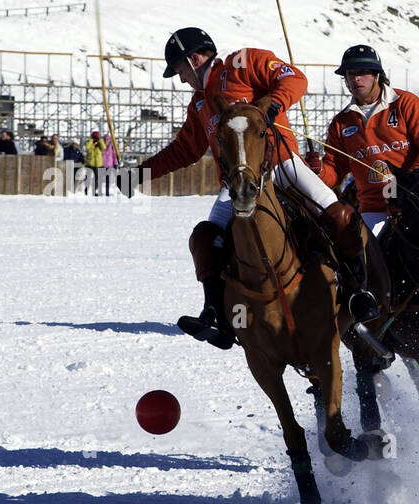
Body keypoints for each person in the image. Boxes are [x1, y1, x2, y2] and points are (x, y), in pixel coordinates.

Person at [138, 26, 377, 350]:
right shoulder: (199, 104)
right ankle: (217, 315)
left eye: (180, 70)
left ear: (194, 59)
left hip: (282, 165)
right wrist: (134, 176)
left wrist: (272, 105)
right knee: (205, 237)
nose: (181, 79)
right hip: (238, 185)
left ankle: (359, 295)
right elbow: (182, 151)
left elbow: (295, 79)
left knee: (340, 216)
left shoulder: (241, 63)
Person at [305, 44, 419, 236]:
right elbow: (335, 171)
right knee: (363, 259)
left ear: (377, 75)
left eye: (363, 73)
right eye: (350, 73)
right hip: (374, 209)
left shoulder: (405, 103)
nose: (356, 79)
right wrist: (318, 170)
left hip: (418, 198)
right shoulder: (341, 123)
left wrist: (410, 186)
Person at [85, 130, 107, 195]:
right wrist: (91, 140)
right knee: (88, 178)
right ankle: (86, 190)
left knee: (97, 179)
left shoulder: (100, 143)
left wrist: (99, 140)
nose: (95, 138)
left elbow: (104, 147)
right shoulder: (89, 142)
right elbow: (87, 147)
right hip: (90, 163)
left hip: (98, 164)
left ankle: (94, 191)